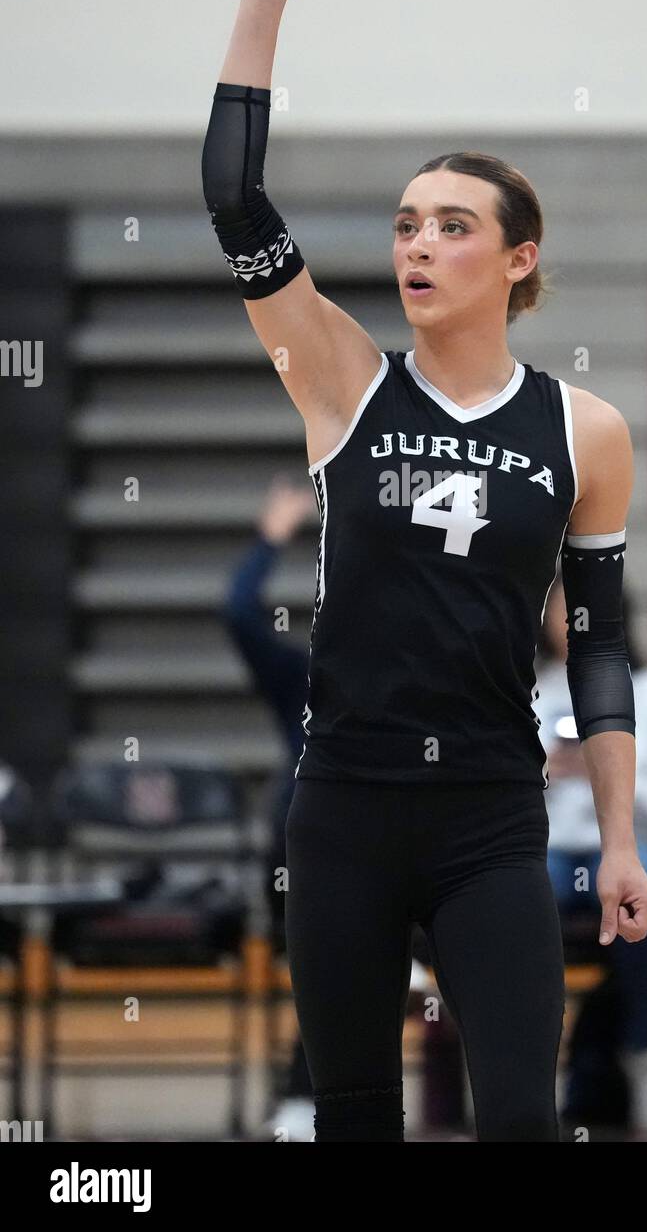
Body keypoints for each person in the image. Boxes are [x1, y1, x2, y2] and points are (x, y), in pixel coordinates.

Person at [201, 0, 647, 1142]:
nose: (418, 244)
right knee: (356, 1119)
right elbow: (237, 202)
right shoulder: (342, 379)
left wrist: (617, 840)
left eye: (451, 227)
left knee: (521, 1118)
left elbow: (603, 648)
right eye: (407, 224)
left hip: (490, 815)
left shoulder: (585, 431)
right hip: (342, 808)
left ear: (517, 260)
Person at [534, 580, 647, 1135]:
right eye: (558, 610)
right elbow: (487, 794)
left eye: (580, 610)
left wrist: (606, 771)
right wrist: (544, 771)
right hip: (551, 848)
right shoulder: (526, 689)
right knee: (508, 896)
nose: (569, 621)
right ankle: (534, 1061)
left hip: (632, 847)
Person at [222, 474, 317, 1137]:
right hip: (307, 852)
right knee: (335, 973)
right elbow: (237, 613)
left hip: (400, 852)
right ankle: (303, 1095)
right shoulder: (303, 677)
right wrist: (269, 538)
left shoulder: (408, 676)